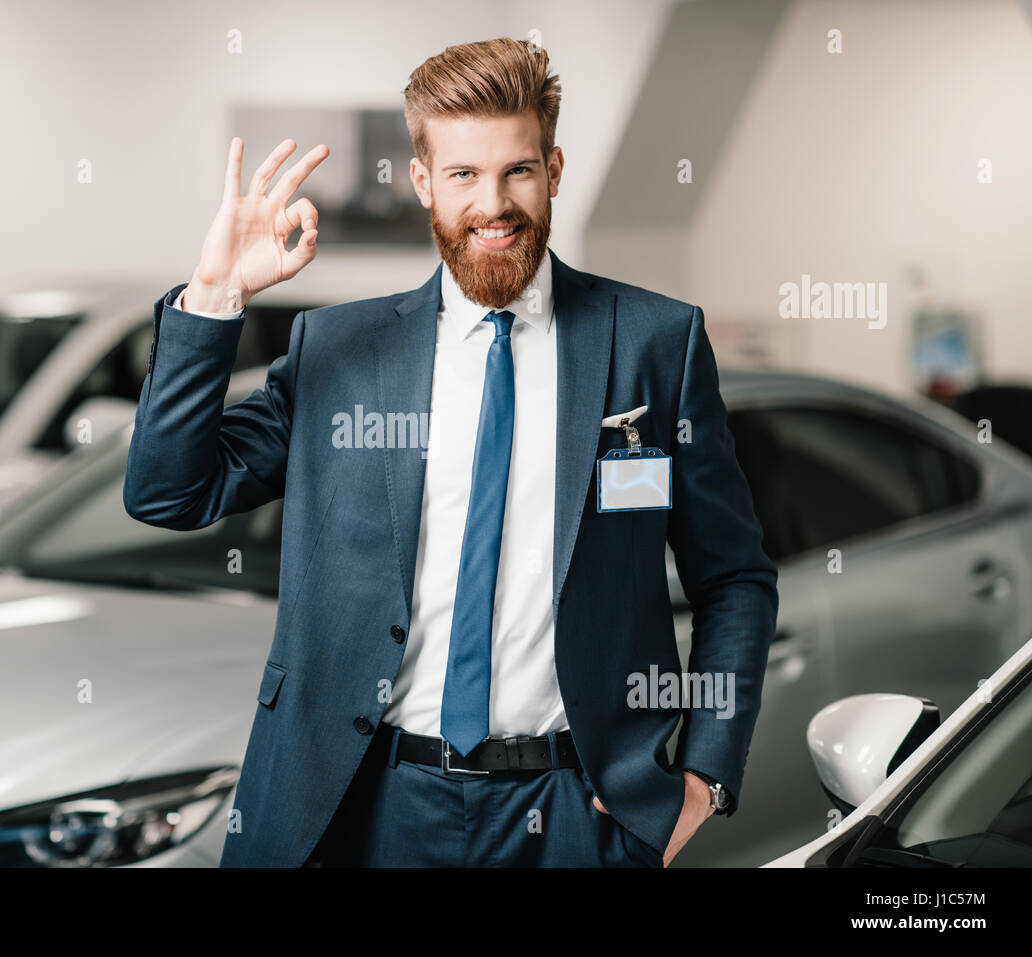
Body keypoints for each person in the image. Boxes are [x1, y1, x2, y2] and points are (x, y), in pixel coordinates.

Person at [124, 36, 778, 867]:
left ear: (554, 170)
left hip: (574, 814)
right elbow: (169, 492)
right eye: (464, 174)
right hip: (366, 808)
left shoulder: (656, 341)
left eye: (518, 171)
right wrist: (214, 295)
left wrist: (705, 776)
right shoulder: (340, 351)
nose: (493, 205)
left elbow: (735, 577)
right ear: (424, 181)